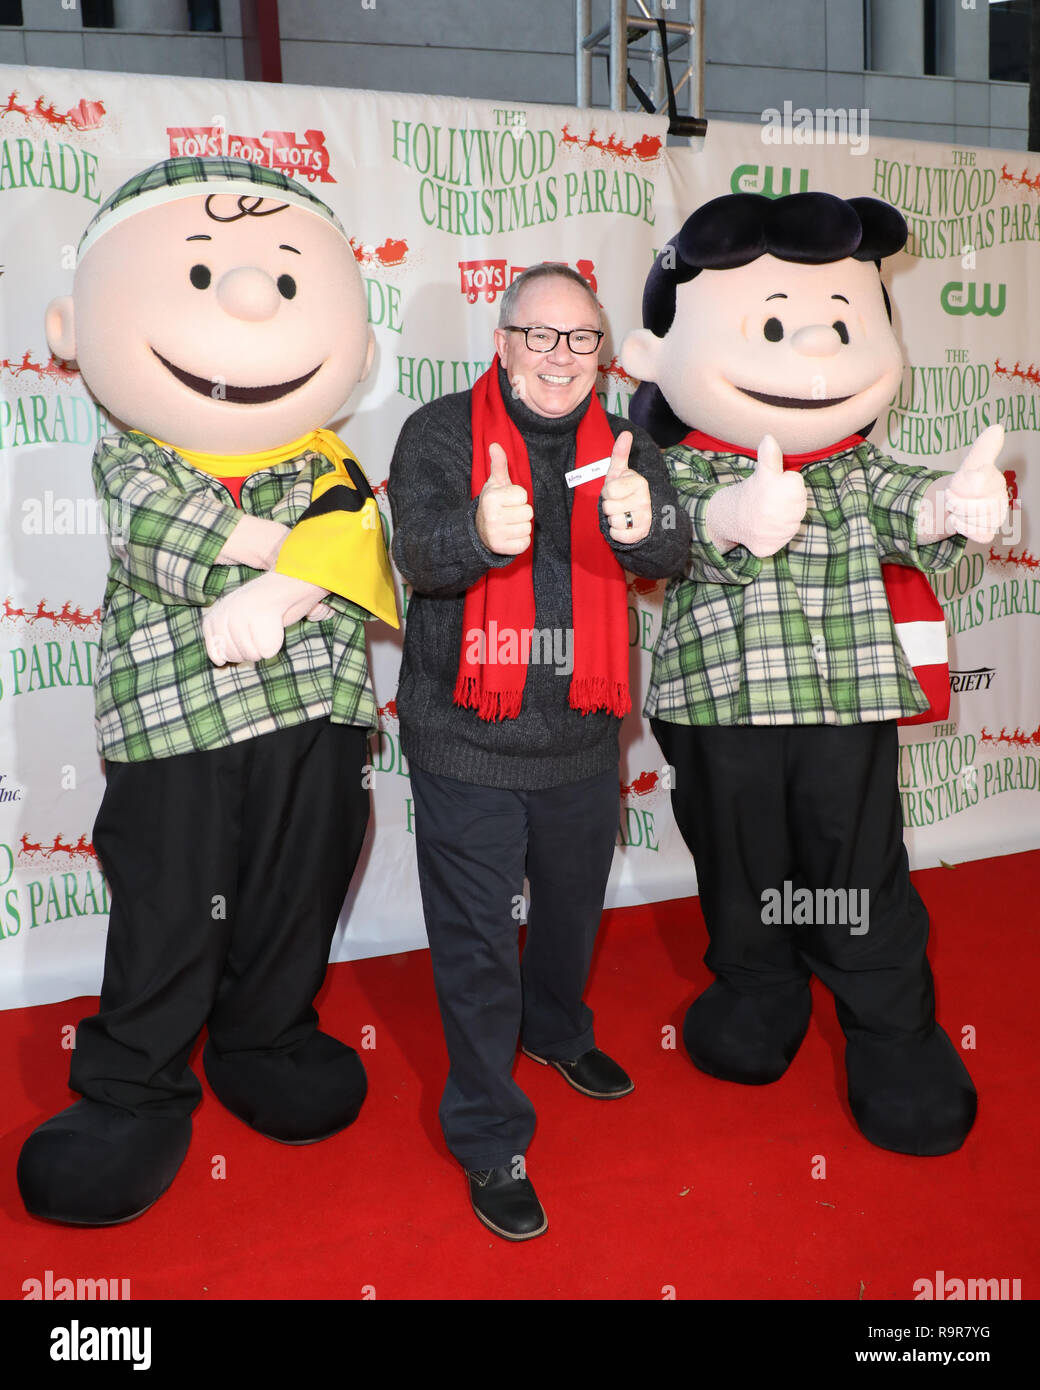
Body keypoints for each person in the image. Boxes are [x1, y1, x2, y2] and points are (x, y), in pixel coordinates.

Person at [17, 158, 397, 1225]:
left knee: (298, 890)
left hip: (318, 720)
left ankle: (265, 1035)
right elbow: (160, 531)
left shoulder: (333, 460)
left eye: (284, 280)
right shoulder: (132, 457)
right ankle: (132, 1088)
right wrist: (287, 552)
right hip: (175, 725)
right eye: (202, 275)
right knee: (171, 905)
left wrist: (287, 589)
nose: (247, 297)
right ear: (70, 331)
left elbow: (362, 547)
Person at [388, 263, 690, 1240]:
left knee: (568, 913)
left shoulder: (628, 442)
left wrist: (646, 529)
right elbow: (415, 556)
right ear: (503, 342)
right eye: (539, 335)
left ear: (601, 351)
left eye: (580, 338)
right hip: (466, 741)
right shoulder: (440, 432)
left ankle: (555, 1030)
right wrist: (477, 533)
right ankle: (489, 1138)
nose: (560, 357)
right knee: (478, 945)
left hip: (583, 736)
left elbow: (671, 551)